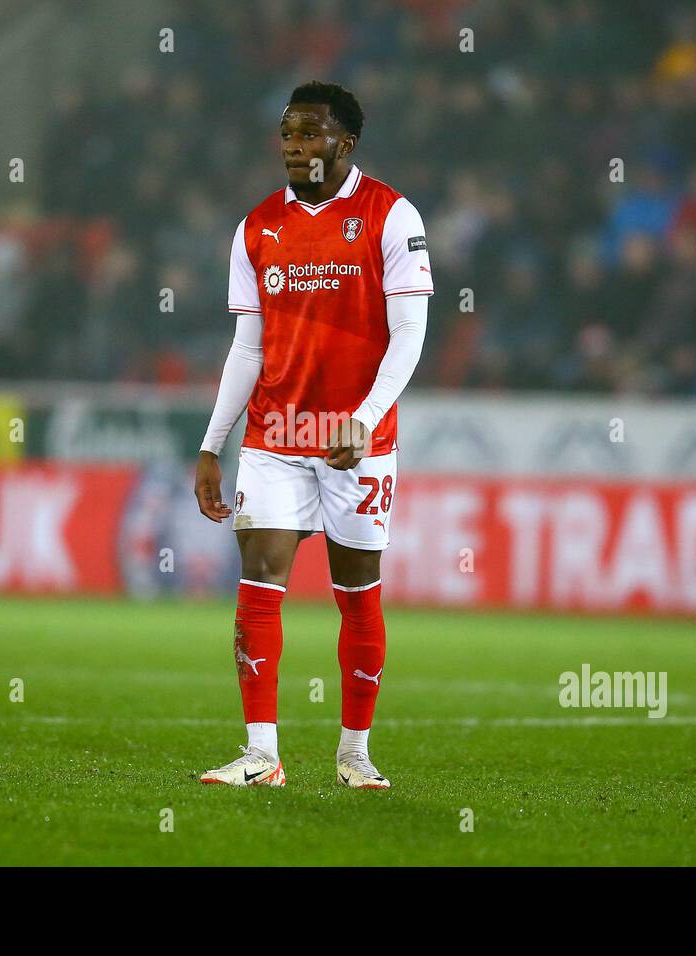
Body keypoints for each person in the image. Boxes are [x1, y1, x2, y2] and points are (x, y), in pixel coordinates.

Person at [194, 81, 432, 789]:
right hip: (275, 435)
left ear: (345, 143)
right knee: (258, 579)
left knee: (357, 592)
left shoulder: (390, 215)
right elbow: (247, 347)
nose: (296, 145)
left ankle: (354, 752)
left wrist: (365, 415)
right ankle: (261, 754)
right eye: (287, 133)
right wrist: (213, 442)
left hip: (356, 439)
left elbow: (411, 331)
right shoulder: (256, 227)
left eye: (311, 133)